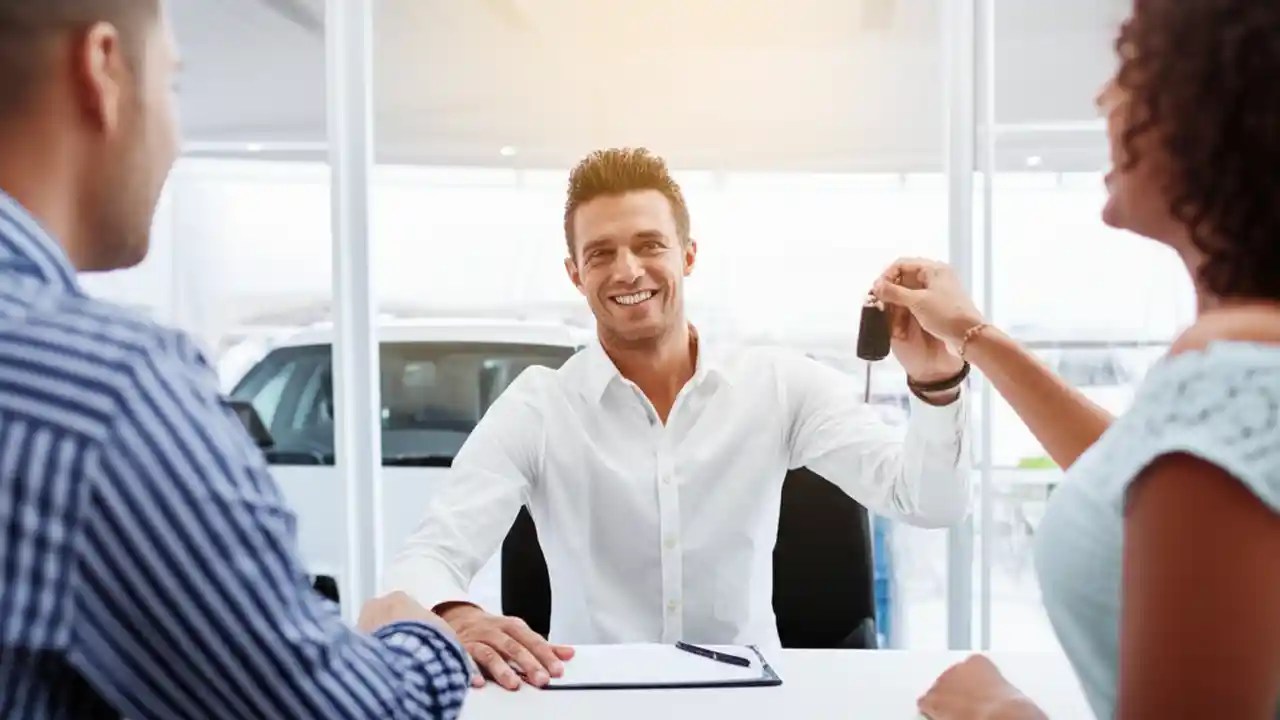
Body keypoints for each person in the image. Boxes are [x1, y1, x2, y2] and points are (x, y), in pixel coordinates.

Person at [0, 2, 469, 718]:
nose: (175, 137)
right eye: (173, 84)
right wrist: (416, 635)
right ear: (103, 70)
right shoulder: (107, 392)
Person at [383, 146, 975, 690]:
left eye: (649, 245)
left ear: (688, 255)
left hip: (748, 705)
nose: (628, 271)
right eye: (601, 253)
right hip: (596, 704)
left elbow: (928, 503)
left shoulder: (778, 385)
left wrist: (935, 385)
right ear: (575, 274)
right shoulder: (539, 407)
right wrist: (455, 614)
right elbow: (426, 557)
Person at [870, 2, 1280, 718]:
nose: (1100, 98)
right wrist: (972, 333)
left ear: (1214, 108)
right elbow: (1128, 475)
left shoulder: (1231, 368)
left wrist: (998, 713)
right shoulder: (1246, 370)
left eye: (1128, 74)